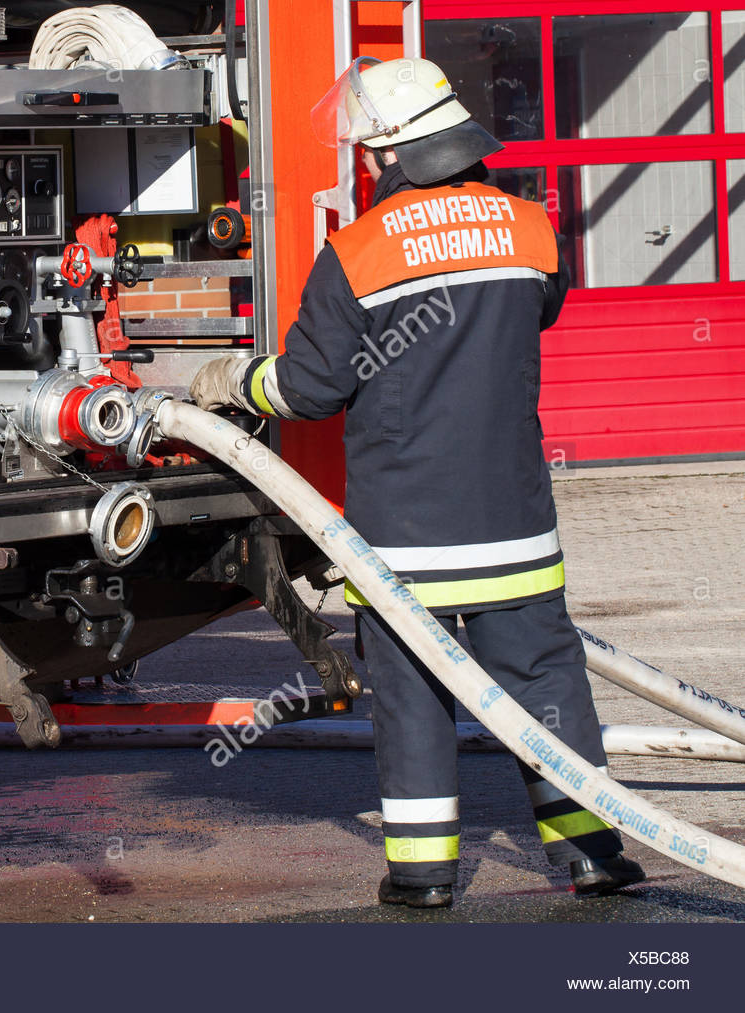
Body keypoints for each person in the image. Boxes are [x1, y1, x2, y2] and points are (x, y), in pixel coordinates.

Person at [190, 56, 645, 909]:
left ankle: (424, 874)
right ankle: (592, 852)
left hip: (406, 537)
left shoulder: (358, 252)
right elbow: (539, 309)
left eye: (368, 153)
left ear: (392, 153)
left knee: (414, 695)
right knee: (545, 681)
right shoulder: (530, 228)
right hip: (515, 521)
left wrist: (230, 381)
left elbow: (310, 389)